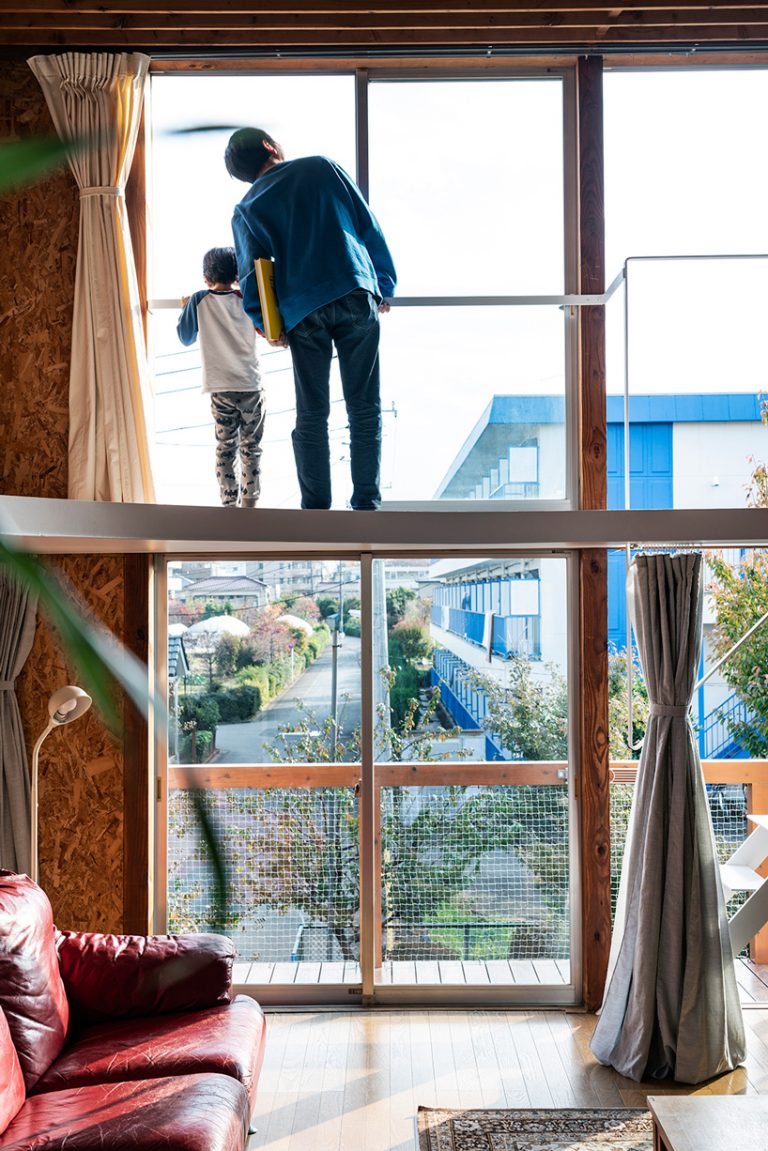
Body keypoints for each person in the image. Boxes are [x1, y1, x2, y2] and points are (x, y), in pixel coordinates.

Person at [224, 127, 396, 510]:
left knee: (312, 412)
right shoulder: (322, 167)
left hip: (302, 311)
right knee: (364, 406)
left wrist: (267, 325)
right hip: (354, 290)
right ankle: (366, 502)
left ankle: (316, 507)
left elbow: (252, 274)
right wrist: (384, 281)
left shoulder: (247, 209)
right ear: (269, 146)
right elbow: (367, 225)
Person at [177, 246, 265, 508]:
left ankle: (229, 503)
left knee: (225, 447)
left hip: (221, 388)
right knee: (251, 446)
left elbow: (185, 337)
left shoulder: (199, 299)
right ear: (236, 275)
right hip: (250, 385)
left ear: (206, 278)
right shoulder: (247, 299)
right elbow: (266, 329)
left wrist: (186, 308)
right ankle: (251, 501)